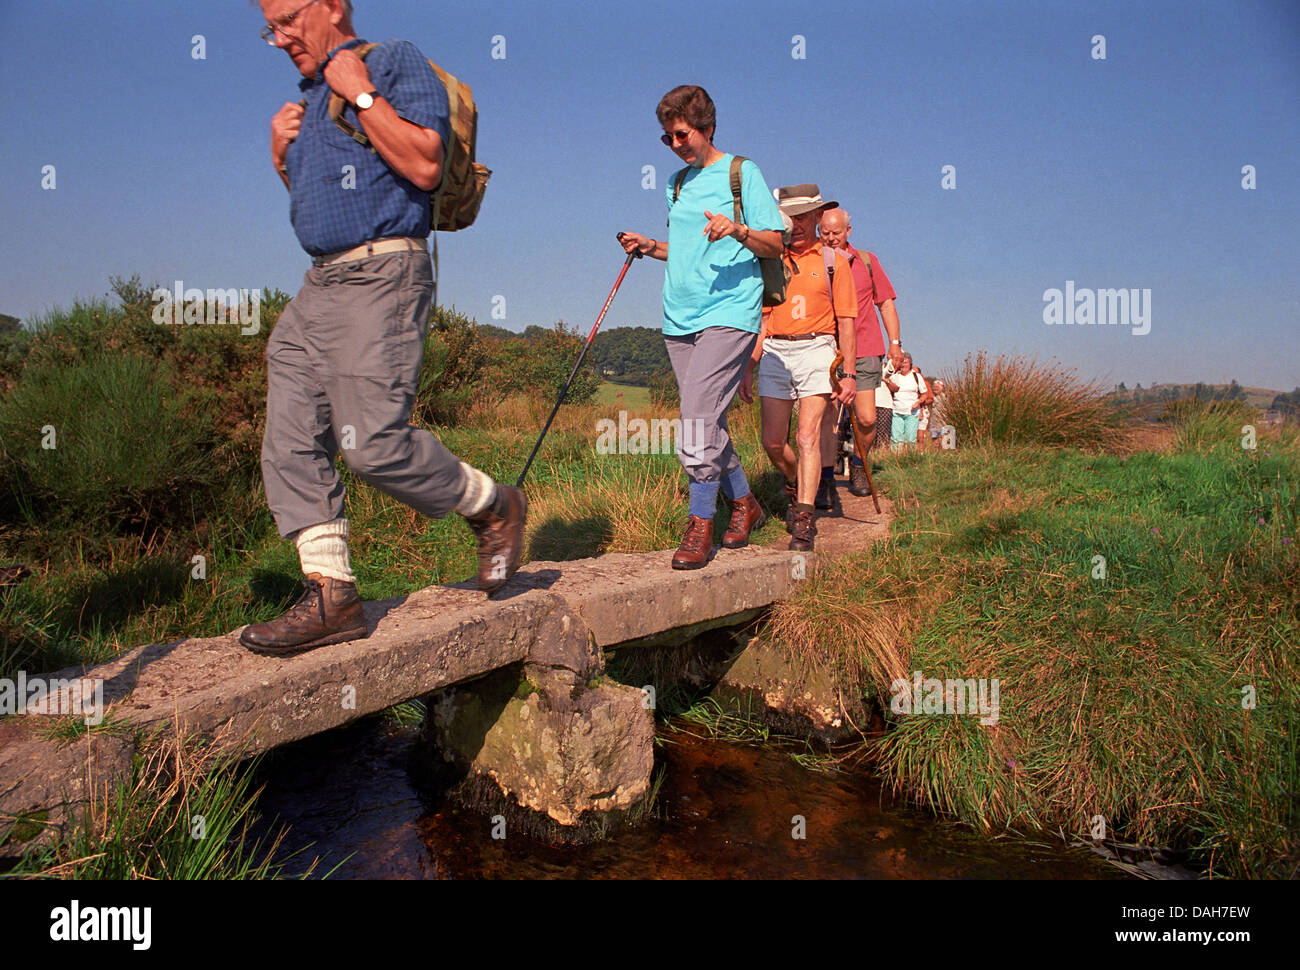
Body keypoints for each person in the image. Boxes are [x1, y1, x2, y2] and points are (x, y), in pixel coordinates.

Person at [241, 0, 526, 657]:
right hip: (318, 283)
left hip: (383, 274)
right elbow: (323, 205)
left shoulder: (392, 60)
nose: (279, 39)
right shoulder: (310, 100)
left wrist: (361, 93)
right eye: (270, 28)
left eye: (287, 19)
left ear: (332, 6)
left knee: (371, 444)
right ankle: (333, 595)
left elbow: (426, 164)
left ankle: (493, 504)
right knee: (290, 439)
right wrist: (281, 158)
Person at [618, 85, 785, 570]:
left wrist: (737, 230)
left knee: (694, 421)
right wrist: (651, 247)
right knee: (708, 420)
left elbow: (775, 243)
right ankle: (746, 504)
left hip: (730, 312)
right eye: (667, 137)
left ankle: (700, 523)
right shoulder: (675, 183)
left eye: (682, 134)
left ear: (707, 128)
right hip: (678, 315)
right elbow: (688, 248)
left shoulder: (741, 173)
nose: (675, 144)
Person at [739, 185, 856, 552]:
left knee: (807, 437)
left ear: (818, 218)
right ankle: (794, 481)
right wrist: (748, 364)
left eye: (806, 217)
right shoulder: (772, 260)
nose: (798, 225)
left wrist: (849, 373)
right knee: (773, 442)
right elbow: (762, 319)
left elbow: (847, 320)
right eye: (791, 218)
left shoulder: (834, 262)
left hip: (818, 348)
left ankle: (804, 519)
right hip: (775, 350)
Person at [815, 209, 904, 500]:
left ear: (848, 231)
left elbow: (886, 303)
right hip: (826, 347)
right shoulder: (814, 261)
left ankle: (857, 464)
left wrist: (895, 343)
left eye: (836, 233)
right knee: (827, 418)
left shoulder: (866, 261)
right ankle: (826, 478)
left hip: (865, 347)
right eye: (824, 233)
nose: (830, 238)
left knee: (866, 419)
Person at [884, 353, 929, 450]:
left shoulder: (916, 376)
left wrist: (918, 402)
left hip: (912, 413)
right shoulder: (895, 376)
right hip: (897, 411)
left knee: (910, 439)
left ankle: (910, 459)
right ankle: (896, 459)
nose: (904, 365)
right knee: (896, 439)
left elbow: (925, 394)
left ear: (910, 364)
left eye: (906, 362)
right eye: (902, 362)